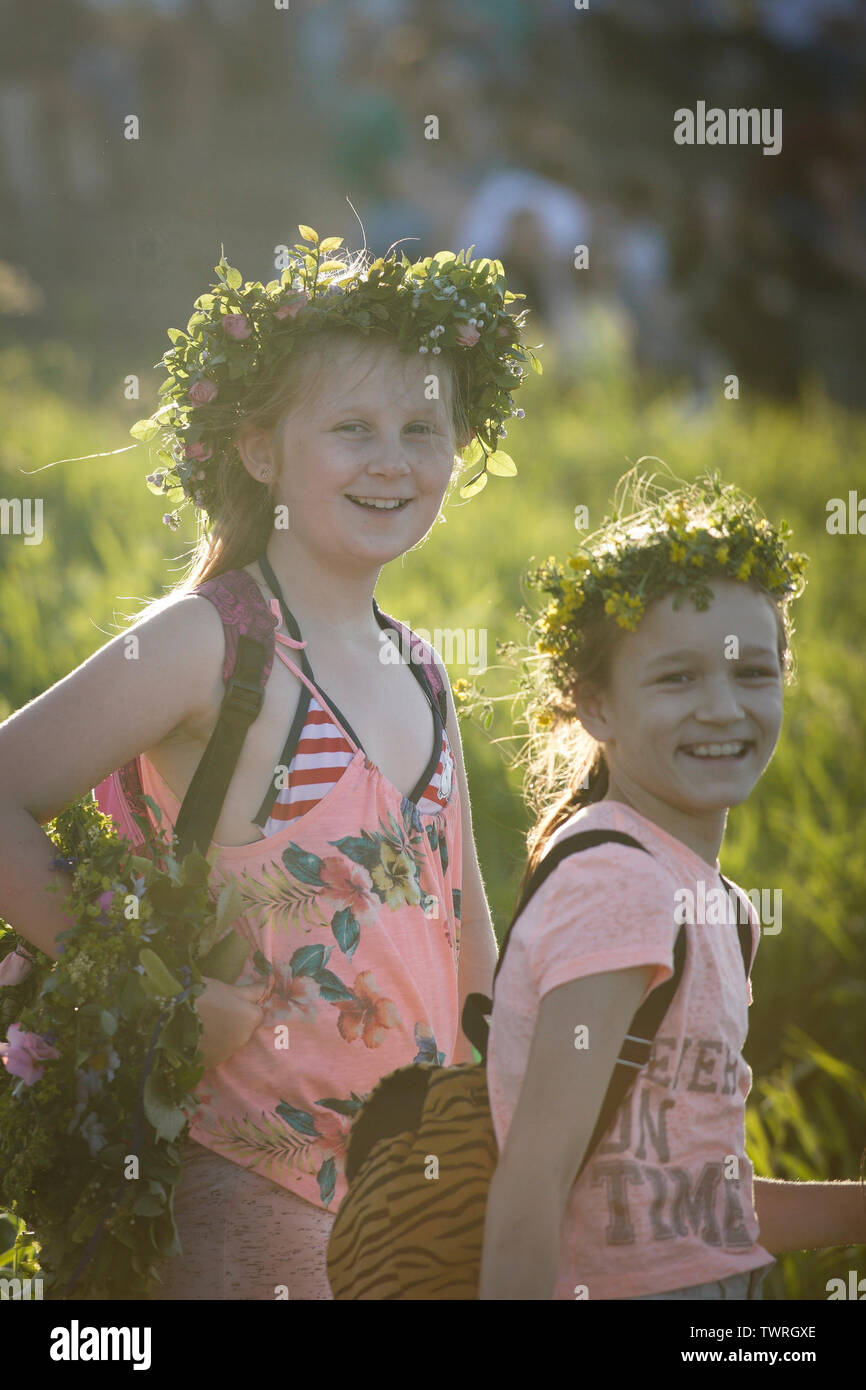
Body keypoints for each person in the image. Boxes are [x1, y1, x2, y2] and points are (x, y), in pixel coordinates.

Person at [0, 231, 536, 1298]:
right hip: (239, 1176)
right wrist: (154, 996)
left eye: (421, 429)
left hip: (403, 1205)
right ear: (257, 449)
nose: (392, 458)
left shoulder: (421, 667)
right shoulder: (212, 639)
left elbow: (465, 939)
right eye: (351, 428)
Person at [481, 472, 866, 1299]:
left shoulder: (707, 899)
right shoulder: (623, 886)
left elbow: (697, 1214)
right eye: (677, 678)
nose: (724, 708)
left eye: (753, 673)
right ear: (595, 706)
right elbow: (530, 1189)